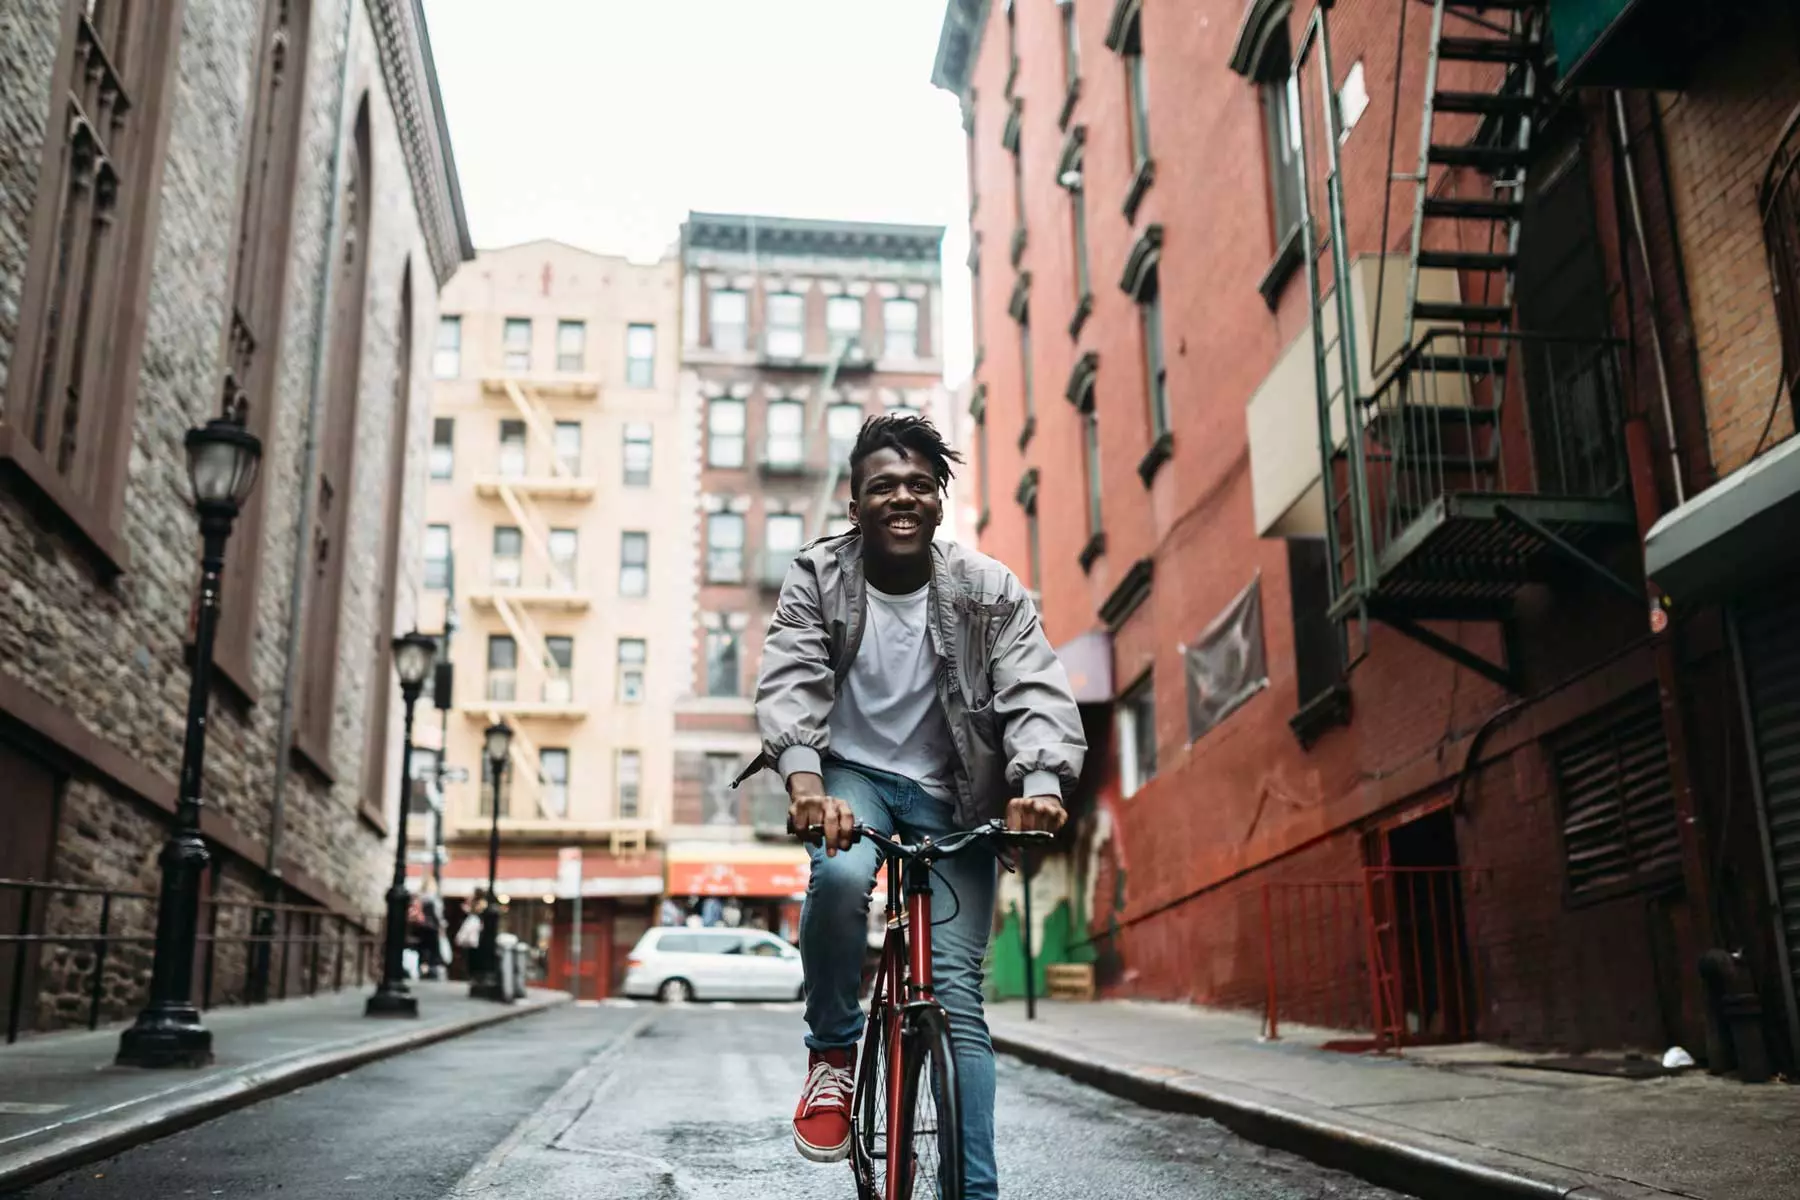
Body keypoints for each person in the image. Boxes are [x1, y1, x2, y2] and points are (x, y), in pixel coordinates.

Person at [742, 413, 1085, 1200]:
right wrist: (804, 783)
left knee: (959, 1002)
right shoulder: (818, 576)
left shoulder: (989, 589)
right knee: (836, 880)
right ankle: (832, 1055)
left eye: (920, 486)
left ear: (939, 501)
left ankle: (976, 1194)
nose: (903, 498)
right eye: (883, 486)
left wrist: (1040, 785)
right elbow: (791, 674)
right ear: (855, 503)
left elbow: (1034, 686)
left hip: (954, 794)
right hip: (852, 782)